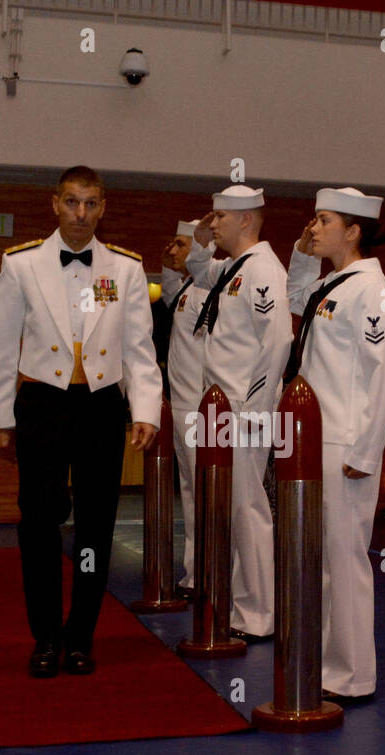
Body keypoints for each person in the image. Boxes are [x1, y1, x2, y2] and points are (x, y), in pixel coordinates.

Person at [0, 166, 161, 677]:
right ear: (54, 203)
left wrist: (145, 409)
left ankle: (81, 635)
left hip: (101, 406)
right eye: (72, 202)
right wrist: (0, 418)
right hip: (42, 404)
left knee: (95, 526)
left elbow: (139, 350)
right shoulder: (19, 264)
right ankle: (45, 637)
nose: (81, 213)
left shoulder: (125, 270)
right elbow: (1, 346)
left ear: (103, 208)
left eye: (90, 204)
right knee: (38, 525)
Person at [286, 187, 385, 702]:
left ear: (353, 231)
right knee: (325, 561)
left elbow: (384, 374)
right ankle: (330, 664)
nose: (314, 227)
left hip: (346, 444)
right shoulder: (335, 283)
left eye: (323, 220)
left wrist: (365, 452)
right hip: (317, 440)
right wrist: (301, 249)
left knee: (345, 560)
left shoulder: (373, 290)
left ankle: (353, 675)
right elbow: (294, 299)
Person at [186, 185, 292, 643]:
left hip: (244, 411)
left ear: (246, 220)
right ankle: (241, 600)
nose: (213, 225)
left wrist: (254, 408)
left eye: (220, 219)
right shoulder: (233, 268)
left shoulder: (263, 268)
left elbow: (278, 341)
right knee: (230, 508)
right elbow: (194, 268)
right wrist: (197, 236)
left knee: (248, 508)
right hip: (221, 406)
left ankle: (259, 612)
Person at [162, 219, 208, 599]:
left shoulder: (210, 290)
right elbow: (168, 294)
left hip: (199, 408)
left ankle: (209, 574)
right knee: (191, 495)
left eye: (179, 245)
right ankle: (194, 573)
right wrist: (168, 260)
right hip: (181, 406)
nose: (172, 251)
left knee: (206, 497)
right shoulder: (188, 289)